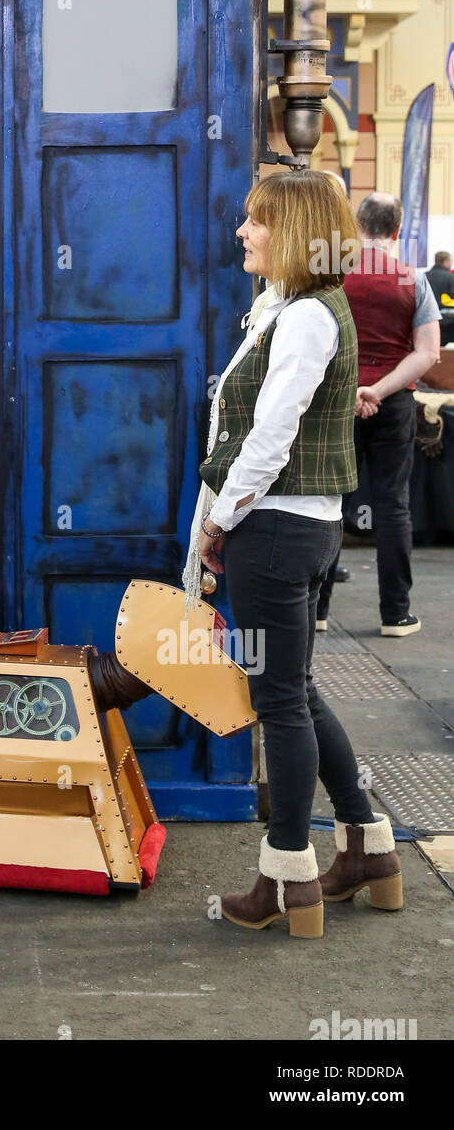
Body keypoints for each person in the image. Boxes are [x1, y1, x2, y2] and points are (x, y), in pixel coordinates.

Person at [185, 170, 402, 939]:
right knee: (297, 692)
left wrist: (219, 521)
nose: (242, 233)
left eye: (256, 221)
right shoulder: (298, 308)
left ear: (296, 231)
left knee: (277, 700)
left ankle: (287, 879)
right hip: (300, 526)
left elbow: (267, 437)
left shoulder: (306, 316)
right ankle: (366, 851)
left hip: (274, 530)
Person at [317, 193, 441, 636]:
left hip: (336, 403)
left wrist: (351, 389)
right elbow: (427, 353)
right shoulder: (413, 281)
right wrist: (379, 389)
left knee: (330, 503)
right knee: (392, 506)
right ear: (396, 230)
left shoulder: (332, 273)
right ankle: (395, 614)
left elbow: (315, 341)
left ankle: (317, 611)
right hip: (394, 404)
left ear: (356, 224)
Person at [424, 249, 454, 347]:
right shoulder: (450, 277)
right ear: (446, 262)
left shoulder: (423, 276)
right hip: (448, 323)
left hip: (426, 321)